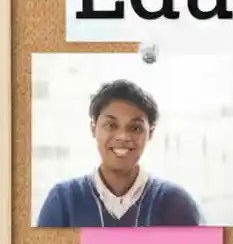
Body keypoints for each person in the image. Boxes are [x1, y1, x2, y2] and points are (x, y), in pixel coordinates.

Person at [36, 79, 204, 227]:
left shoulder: (177, 203)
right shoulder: (64, 201)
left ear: (150, 133)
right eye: (111, 125)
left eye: (135, 128)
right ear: (93, 128)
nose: (123, 136)